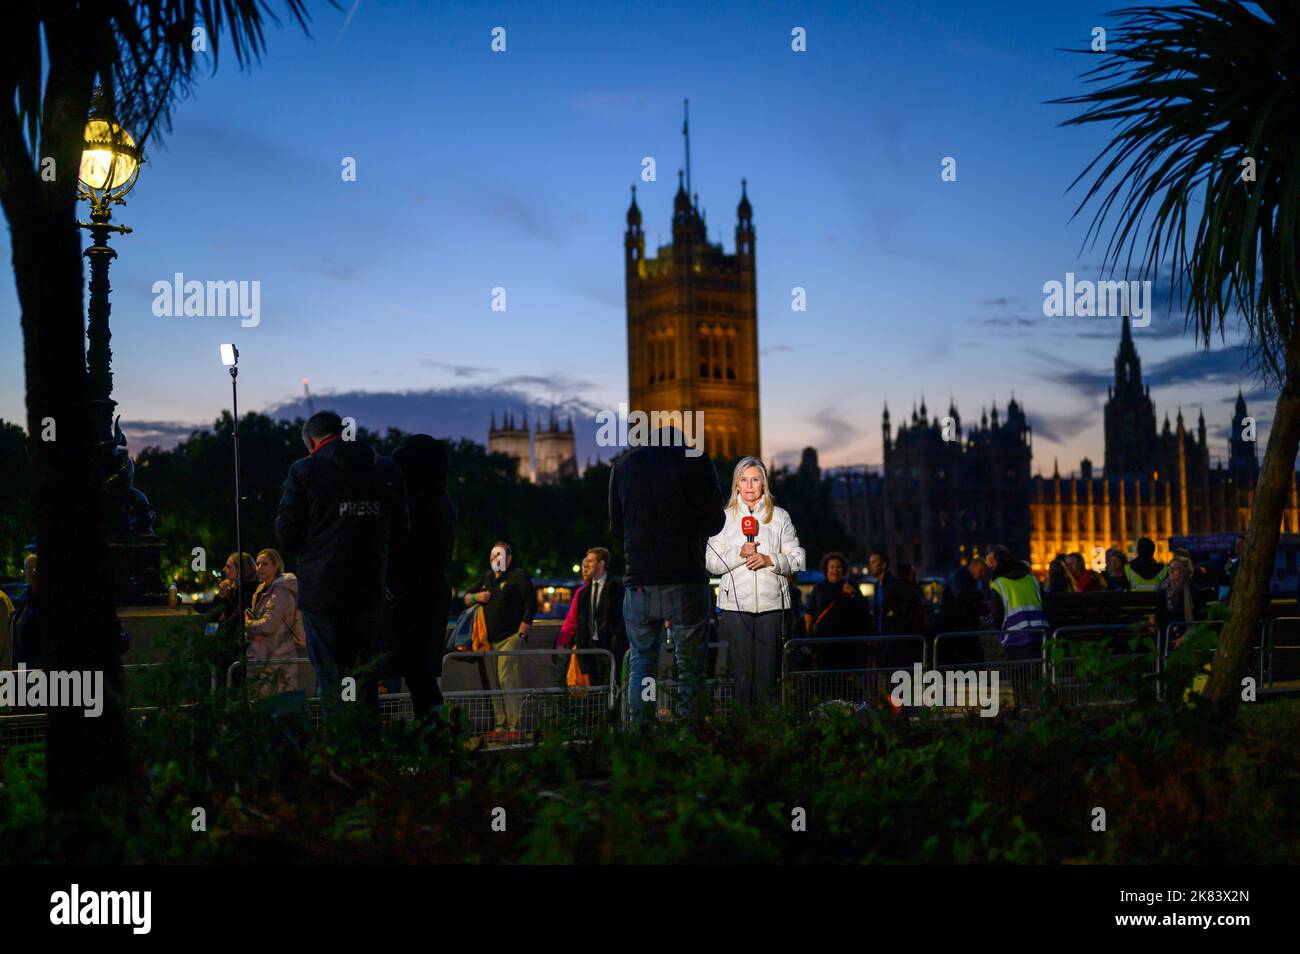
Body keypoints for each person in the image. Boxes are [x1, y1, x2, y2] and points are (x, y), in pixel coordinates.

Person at [275, 410, 407, 713]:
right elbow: (401, 530)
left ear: (311, 441)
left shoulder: (304, 471)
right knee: (366, 676)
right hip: (371, 590)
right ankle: (369, 749)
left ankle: (341, 750)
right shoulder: (384, 469)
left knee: (334, 680)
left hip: (325, 594)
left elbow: (288, 537)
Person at [610, 425, 724, 723]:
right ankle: (689, 731)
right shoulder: (696, 459)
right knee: (690, 666)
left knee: (642, 664)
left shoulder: (623, 464)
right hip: (685, 577)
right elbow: (715, 522)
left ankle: (641, 731)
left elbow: (616, 528)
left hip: (639, 582)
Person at [705, 457, 806, 708]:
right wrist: (740, 554)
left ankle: (769, 736)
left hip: (772, 607)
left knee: (768, 678)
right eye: (744, 479)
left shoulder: (780, 517)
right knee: (741, 677)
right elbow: (711, 563)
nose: (750, 485)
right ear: (736, 485)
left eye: (755, 479)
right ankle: (742, 737)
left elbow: (798, 559)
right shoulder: (723, 518)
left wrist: (769, 559)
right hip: (735, 610)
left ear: (764, 484)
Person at [388, 434, 457, 721]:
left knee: (413, 677)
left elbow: (404, 549)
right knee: (423, 681)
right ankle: (434, 740)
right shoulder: (442, 502)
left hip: (411, 597)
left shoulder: (416, 505)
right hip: (431, 594)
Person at [464, 541, 535, 737]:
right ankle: (500, 725)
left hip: (510, 638)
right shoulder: (487, 577)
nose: (495, 559)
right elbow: (466, 597)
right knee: (494, 682)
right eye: (492, 556)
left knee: (508, 680)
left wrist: (522, 632)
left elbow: (531, 603)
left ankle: (515, 726)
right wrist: (478, 596)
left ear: (509, 558)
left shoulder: (517, 576)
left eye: (499, 556)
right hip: (488, 641)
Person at [243, 549, 305, 696]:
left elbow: (268, 625)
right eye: (257, 564)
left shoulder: (280, 592)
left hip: (277, 657)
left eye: (264, 564)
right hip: (264, 657)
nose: (259, 568)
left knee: (280, 704)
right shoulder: (264, 590)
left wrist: (246, 625)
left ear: (276, 565)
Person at [564, 547, 627, 688]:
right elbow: (581, 622)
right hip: (591, 650)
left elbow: (621, 619)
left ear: (601, 564)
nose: (586, 565)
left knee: (614, 687)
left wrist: (616, 642)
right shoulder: (584, 592)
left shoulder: (616, 587)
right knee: (595, 691)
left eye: (591, 561)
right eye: (586, 561)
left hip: (612, 649)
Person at [805, 552, 871, 670]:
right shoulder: (819, 588)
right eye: (832, 567)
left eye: (838, 567)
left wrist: (852, 592)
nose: (835, 570)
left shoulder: (851, 586)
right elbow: (810, 612)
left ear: (843, 569)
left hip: (847, 643)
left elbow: (863, 608)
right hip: (824, 643)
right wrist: (810, 637)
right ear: (826, 569)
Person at [982, 545, 1048, 660]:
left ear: (998, 564)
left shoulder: (999, 585)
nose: (989, 567)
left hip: (1016, 640)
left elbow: (996, 616)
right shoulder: (1032, 580)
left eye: (991, 564)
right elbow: (1047, 606)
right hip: (1041, 637)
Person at [937, 557, 988, 663]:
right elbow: (961, 596)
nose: (982, 574)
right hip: (956, 626)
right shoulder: (959, 577)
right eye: (981, 570)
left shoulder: (963, 578)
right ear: (974, 566)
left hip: (961, 626)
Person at [1159, 557, 1207, 647]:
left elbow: (1199, 619)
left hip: (1188, 635)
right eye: (1170, 568)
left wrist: (1185, 637)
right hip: (1167, 634)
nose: (1172, 571)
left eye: (1176, 568)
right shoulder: (1163, 589)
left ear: (1185, 571)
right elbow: (1160, 613)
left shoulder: (1193, 591)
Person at [13, 553, 44, 669]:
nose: (33, 571)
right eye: (28, 568)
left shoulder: (46, 597)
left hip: (38, 661)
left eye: (36, 567)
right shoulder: (23, 597)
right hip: (22, 660)